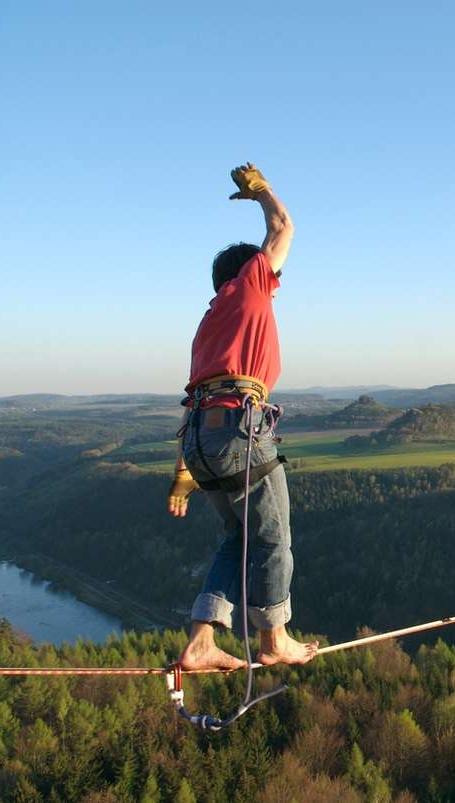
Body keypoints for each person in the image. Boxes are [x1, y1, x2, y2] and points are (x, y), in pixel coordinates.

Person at [166, 163, 317, 671]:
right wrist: (262, 192)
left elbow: (196, 404)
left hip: (201, 440)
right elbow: (283, 229)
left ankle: (201, 640)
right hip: (238, 432)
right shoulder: (250, 285)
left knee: (239, 538)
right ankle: (275, 638)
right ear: (251, 271)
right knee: (274, 537)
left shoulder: (209, 322)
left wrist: (182, 477)